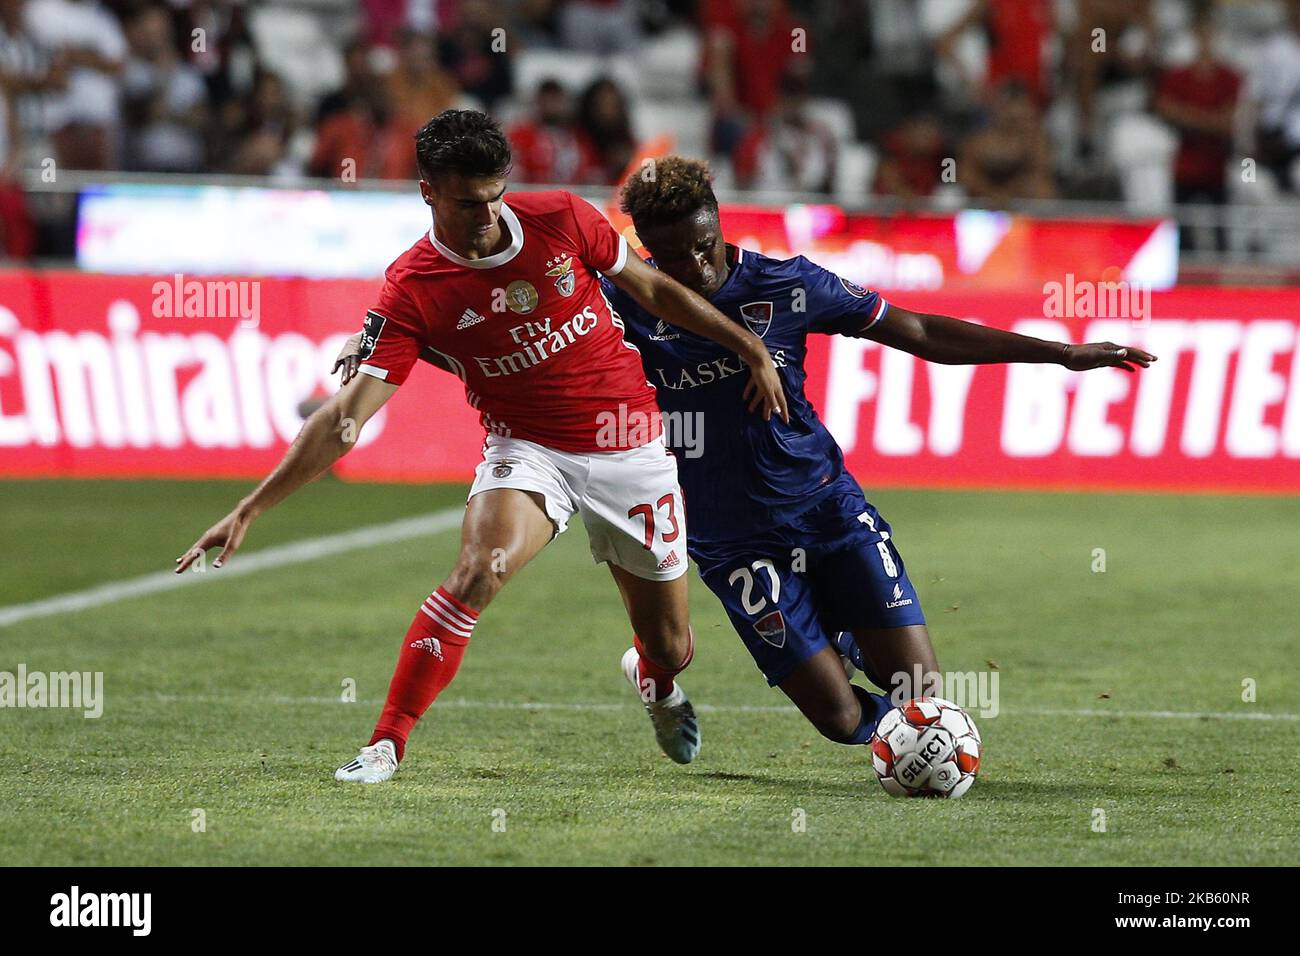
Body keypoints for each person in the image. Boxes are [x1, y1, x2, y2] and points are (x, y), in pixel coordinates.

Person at [337, 155, 1156, 748]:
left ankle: (915, 733)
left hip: (829, 510)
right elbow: (512, 350)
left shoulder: (788, 287)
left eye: (702, 246)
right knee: (842, 723)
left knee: (918, 695)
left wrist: (1062, 353)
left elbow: (919, 332)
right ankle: (897, 738)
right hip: (732, 542)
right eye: (670, 257)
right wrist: (397, 351)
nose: (691, 267)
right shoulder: (627, 305)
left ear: (720, 224)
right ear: (647, 252)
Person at [175, 113, 787, 784]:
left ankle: (652, 677)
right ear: (428, 192)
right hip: (527, 450)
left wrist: (748, 345)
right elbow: (346, 419)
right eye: (469, 202)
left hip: (629, 445)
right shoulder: (414, 286)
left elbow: (654, 290)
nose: (489, 215)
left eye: (496, 195)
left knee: (674, 646)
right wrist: (250, 509)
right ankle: (386, 745)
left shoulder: (562, 217)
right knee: (476, 572)